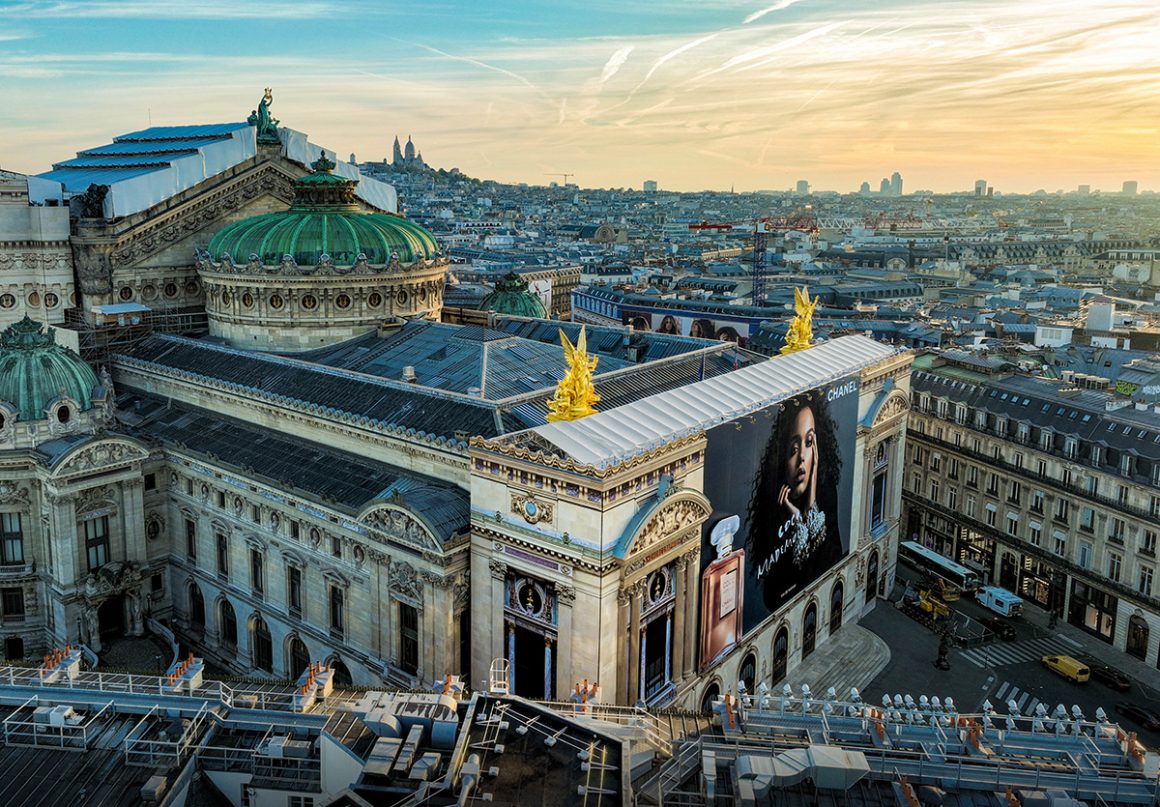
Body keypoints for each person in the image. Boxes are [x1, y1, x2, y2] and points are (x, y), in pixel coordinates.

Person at [748, 394, 844, 612]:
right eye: (793, 448)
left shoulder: (826, 493)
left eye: (809, 442)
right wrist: (797, 523)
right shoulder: (771, 512)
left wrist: (810, 506)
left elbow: (831, 561)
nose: (802, 456)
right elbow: (773, 597)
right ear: (781, 459)